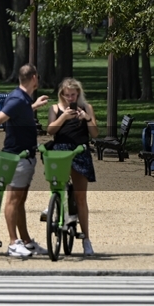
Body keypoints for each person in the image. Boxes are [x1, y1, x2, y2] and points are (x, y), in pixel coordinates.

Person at [0, 64, 50, 258]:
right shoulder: (18, 99)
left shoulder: (23, 99)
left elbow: (17, 115)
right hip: (18, 156)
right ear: (34, 77)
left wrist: (34, 106)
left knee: (20, 201)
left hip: (26, 156)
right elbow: (0, 119)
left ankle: (26, 241)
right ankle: (12, 242)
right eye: (38, 77)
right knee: (13, 200)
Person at [46, 78, 99, 256]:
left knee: (81, 197)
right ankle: (54, 206)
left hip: (80, 151)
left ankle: (86, 240)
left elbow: (95, 133)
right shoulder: (55, 108)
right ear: (62, 94)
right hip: (61, 151)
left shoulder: (87, 108)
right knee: (57, 183)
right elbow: (50, 130)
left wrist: (87, 118)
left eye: (73, 95)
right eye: (67, 95)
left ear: (78, 94)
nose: (70, 98)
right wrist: (63, 117)